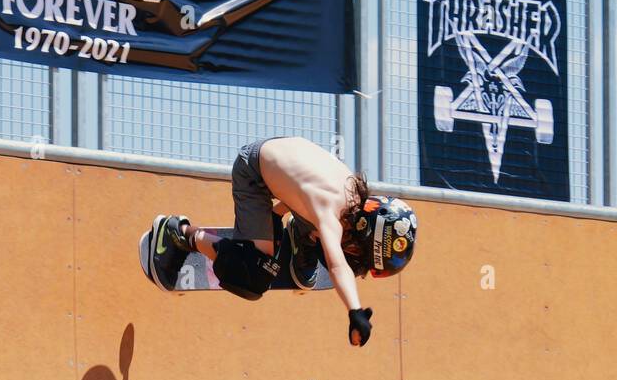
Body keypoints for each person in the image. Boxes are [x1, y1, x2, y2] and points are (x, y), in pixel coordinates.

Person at [144, 136, 417, 346]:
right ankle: (180, 234)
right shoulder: (329, 215)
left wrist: (276, 217)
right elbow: (337, 267)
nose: (353, 257)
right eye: (358, 255)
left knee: (309, 227)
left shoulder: (350, 192)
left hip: (276, 163)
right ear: (362, 237)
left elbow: (300, 182)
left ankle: (302, 235)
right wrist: (355, 311)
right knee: (253, 276)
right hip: (253, 172)